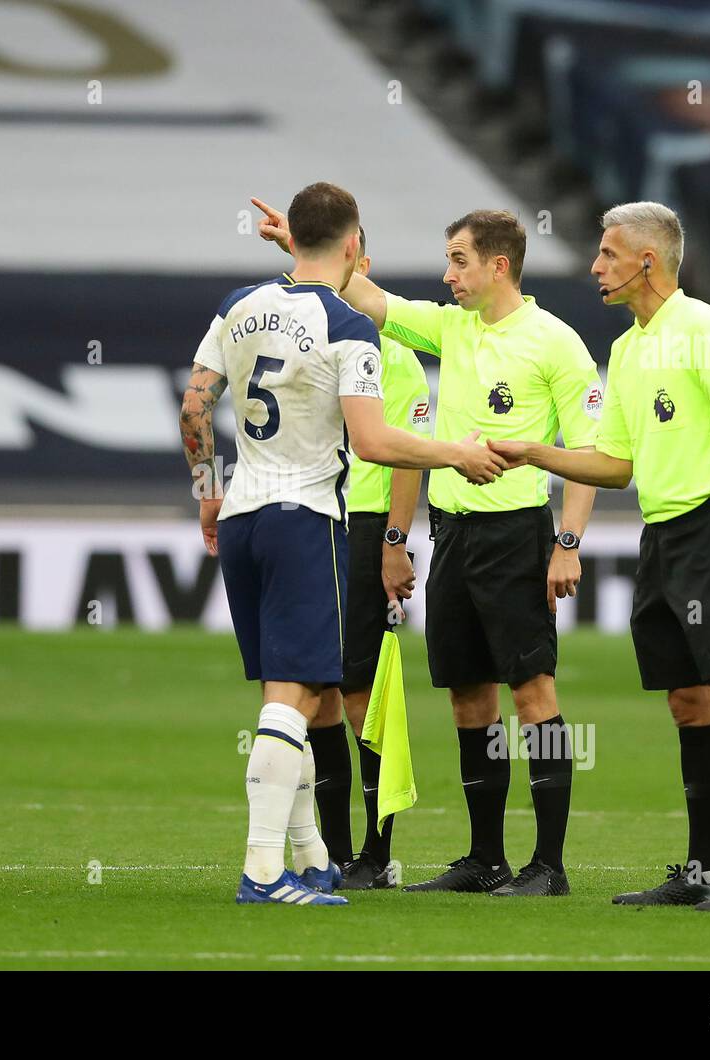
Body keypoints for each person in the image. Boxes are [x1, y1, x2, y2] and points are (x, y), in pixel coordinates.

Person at [254, 200, 601, 897]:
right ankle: (486, 859)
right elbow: (362, 294)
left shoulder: (554, 340)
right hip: (453, 533)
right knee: (469, 697)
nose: (449, 274)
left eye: (459, 260)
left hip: (517, 534)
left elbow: (587, 451)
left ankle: (551, 864)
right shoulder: (452, 328)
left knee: (535, 695)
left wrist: (568, 542)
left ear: (498, 266)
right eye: (448, 260)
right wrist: (303, 243)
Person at [180, 182, 507, 906]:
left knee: (321, 694)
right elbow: (372, 440)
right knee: (293, 694)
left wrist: (207, 491)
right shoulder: (348, 323)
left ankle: (312, 858)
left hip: (240, 511)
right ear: (355, 246)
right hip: (305, 516)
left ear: (292, 238)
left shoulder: (237, 306)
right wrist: (454, 453)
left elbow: (195, 404)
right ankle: (264, 872)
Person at [489, 201, 710, 911]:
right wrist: (539, 452)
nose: (595, 266)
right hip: (660, 535)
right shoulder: (627, 348)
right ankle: (697, 871)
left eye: (606, 254)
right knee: (687, 701)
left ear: (646, 261)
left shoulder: (703, 328)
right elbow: (615, 463)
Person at [307, 225, 431, 890]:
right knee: (319, 690)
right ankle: (332, 850)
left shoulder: (396, 354)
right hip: (315, 525)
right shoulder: (316, 341)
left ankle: (376, 855)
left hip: (364, 531)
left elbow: (406, 455)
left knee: (361, 695)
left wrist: (393, 543)